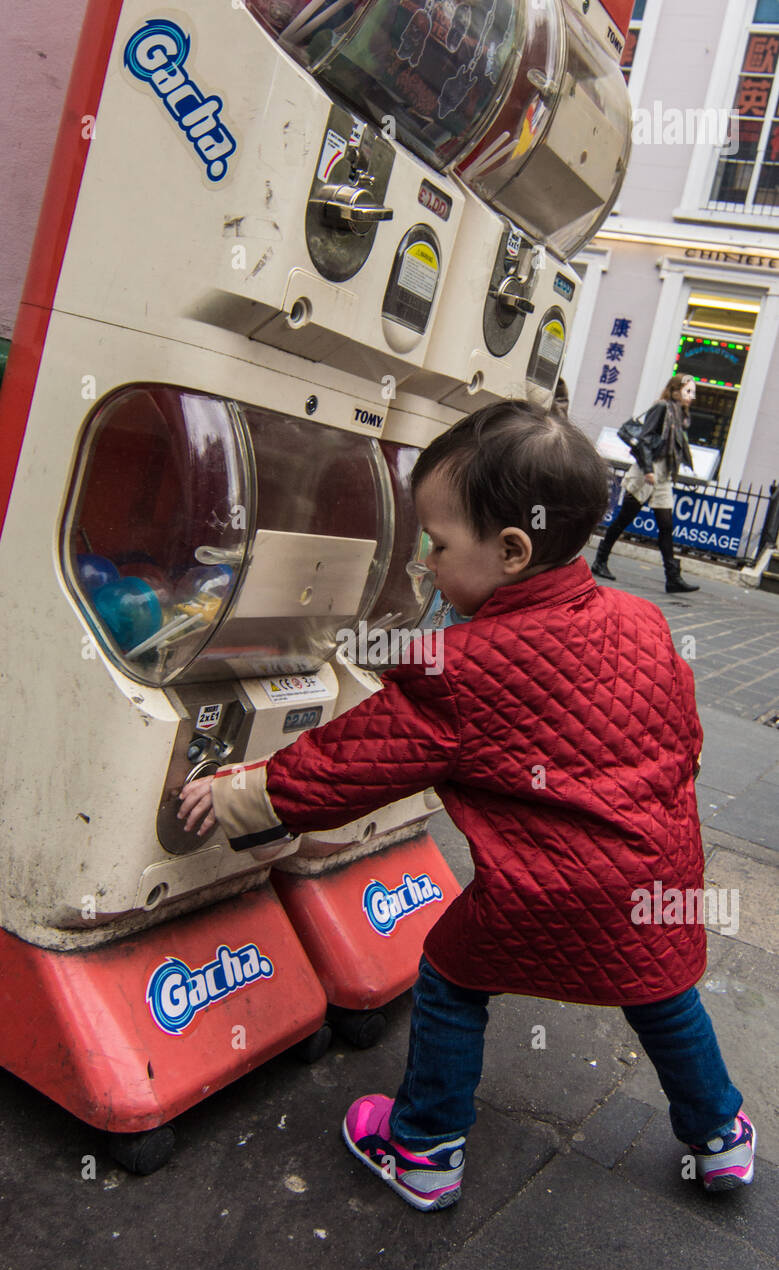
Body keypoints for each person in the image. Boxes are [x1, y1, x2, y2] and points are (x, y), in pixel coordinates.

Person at [178, 400, 754, 1213]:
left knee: (450, 978)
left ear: (511, 551)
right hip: (656, 872)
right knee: (659, 992)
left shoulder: (462, 667)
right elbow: (682, 734)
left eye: (437, 546)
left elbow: (351, 762)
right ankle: (719, 1138)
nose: (425, 562)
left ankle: (422, 1147)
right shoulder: (641, 619)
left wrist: (240, 793)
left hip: (545, 893)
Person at [592, 374, 700, 593]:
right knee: (625, 518)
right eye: (689, 391)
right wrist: (649, 470)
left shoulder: (679, 414)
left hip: (664, 473)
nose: (692, 396)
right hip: (647, 470)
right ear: (675, 390)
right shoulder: (661, 408)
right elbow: (645, 439)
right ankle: (600, 560)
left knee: (666, 526)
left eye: (694, 392)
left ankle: (672, 577)